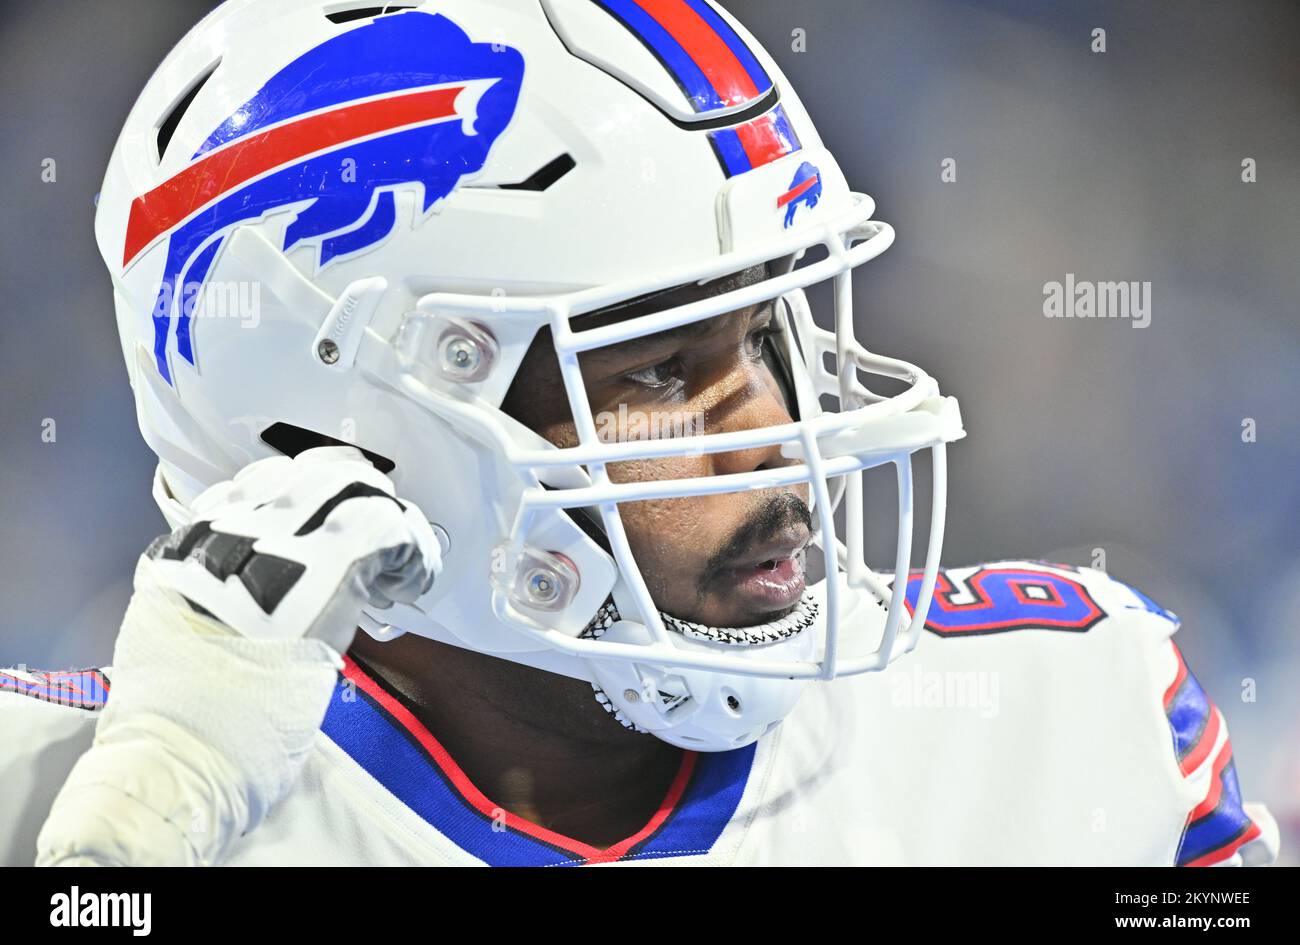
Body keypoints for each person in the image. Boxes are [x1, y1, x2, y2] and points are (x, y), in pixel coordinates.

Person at [0, 0, 1277, 866]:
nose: (775, 436)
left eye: (766, 335)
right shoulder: (62, 793)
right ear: (355, 442)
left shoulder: (1066, 716)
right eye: (662, 371)